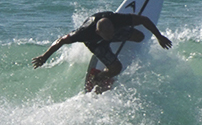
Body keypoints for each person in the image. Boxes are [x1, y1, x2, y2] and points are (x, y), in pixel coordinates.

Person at [32, 10, 172, 92]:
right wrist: (45, 57)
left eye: (111, 33)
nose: (111, 37)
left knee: (139, 36)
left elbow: (144, 20)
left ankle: (114, 37)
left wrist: (159, 36)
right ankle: (98, 78)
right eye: (108, 35)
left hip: (108, 30)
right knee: (116, 68)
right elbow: (61, 40)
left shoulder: (115, 19)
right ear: (99, 31)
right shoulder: (83, 34)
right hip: (95, 43)